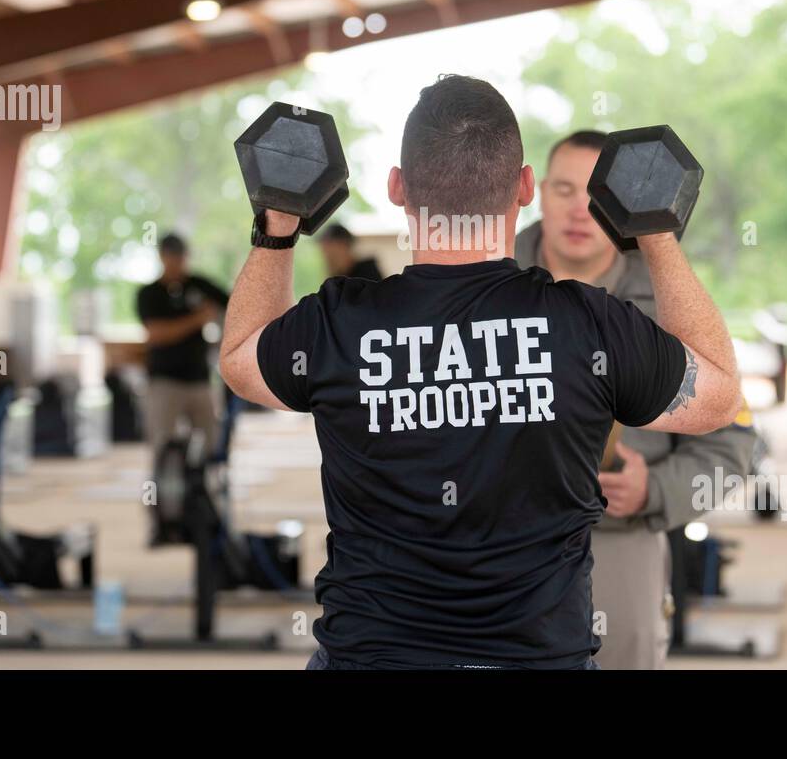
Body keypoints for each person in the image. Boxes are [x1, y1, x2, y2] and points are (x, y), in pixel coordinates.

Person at [219, 75, 743, 669]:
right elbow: (718, 394)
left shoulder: (339, 323)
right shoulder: (589, 323)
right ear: (525, 188)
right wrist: (656, 231)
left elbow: (241, 359)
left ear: (397, 188)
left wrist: (276, 228)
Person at [515, 129, 758, 669]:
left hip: (621, 537)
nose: (579, 209)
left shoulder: (671, 300)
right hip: (494, 539)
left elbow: (736, 444)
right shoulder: (484, 279)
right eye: (562, 189)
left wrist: (655, 489)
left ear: (621, 195)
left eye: (594, 191)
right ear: (532, 189)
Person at [136, 233, 229, 457]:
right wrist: (198, 319)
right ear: (162, 256)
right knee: (163, 445)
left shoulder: (200, 285)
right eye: (171, 256)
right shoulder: (150, 294)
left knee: (211, 442)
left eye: (180, 256)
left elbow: (235, 306)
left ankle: (207, 487)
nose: (177, 261)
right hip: (164, 380)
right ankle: (165, 489)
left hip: (199, 379)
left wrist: (225, 339)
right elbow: (157, 333)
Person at [317, 223, 383, 281]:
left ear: (344, 246)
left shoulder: (366, 278)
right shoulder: (342, 279)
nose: (329, 262)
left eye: (332, 256)